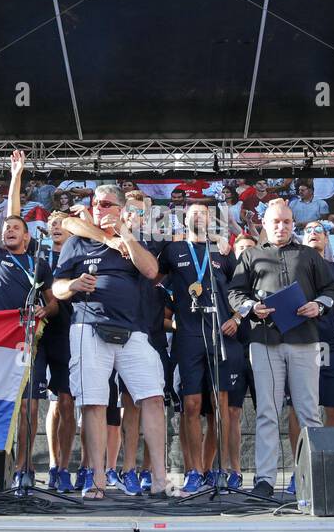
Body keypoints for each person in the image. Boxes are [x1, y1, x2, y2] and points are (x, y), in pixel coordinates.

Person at [52, 183, 166, 498]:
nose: (99, 209)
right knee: (93, 402)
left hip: (133, 330)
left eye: (106, 204)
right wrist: (74, 284)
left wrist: (124, 235)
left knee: (153, 398)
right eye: (96, 204)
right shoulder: (77, 242)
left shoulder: (133, 242)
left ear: (119, 209)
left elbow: (151, 270)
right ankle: (97, 480)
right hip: (89, 326)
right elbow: (57, 288)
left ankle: (159, 480)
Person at [228, 200, 334, 498]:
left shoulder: (309, 255)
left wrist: (318, 305)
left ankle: (313, 479)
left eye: (287, 222)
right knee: (267, 410)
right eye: (276, 222)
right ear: (264, 223)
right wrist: (252, 307)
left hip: (305, 340)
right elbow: (235, 292)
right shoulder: (251, 255)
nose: (282, 227)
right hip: (264, 341)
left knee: (308, 412)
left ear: (294, 224)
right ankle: (264, 480)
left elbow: (332, 290)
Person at [0, 151, 55, 490]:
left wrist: (45, 311)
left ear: (28, 236)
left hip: (29, 341)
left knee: (30, 405)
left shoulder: (39, 265)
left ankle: (23, 469)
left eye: (16, 228)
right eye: (5, 228)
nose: (9, 231)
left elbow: (54, 305)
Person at [159, 202, 244, 494]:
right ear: (185, 220)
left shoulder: (222, 252)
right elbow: (155, 280)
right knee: (191, 406)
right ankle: (193, 470)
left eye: (203, 213)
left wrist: (236, 317)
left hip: (219, 335)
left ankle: (216, 468)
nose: (198, 216)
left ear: (211, 219)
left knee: (219, 408)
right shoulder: (173, 251)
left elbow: (239, 291)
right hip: (187, 338)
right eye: (192, 213)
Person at [281, 221, 334, 487]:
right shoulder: (292, 264)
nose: (313, 234)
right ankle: (301, 469)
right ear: (300, 239)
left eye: (319, 231)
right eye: (308, 231)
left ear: (327, 239)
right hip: (299, 343)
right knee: (298, 408)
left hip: (331, 344)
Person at [41, 211, 78, 493]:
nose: (56, 227)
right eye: (51, 223)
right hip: (41, 333)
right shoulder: (37, 257)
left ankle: (65, 467)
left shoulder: (78, 256)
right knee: (48, 403)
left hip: (68, 332)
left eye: (61, 223)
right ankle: (52, 464)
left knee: (67, 400)